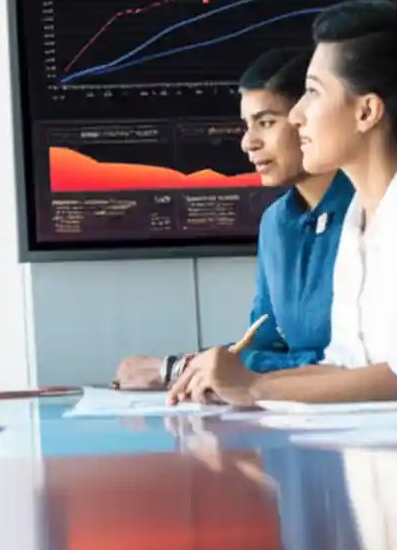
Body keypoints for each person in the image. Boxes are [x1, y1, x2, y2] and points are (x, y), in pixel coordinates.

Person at [170, 0, 397, 406]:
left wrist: (253, 386)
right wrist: (222, 383)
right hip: (385, 455)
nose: (296, 115)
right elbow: (343, 366)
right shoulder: (359, 217)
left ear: (367, 112)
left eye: (312, 92)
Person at [114, 47, 354, 389]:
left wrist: (184, 368)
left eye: (266, 122)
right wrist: (206, 367)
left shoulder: (369, 209)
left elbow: (353, 361)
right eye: (247, 125)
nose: (248, 143)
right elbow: (259, 343)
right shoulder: (277, 222)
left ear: (310, 117)